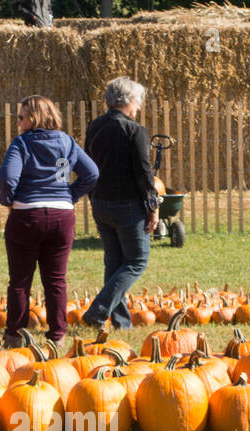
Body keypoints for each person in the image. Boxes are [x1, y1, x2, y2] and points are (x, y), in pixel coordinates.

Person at [0, 95, 98, 346]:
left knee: (20, 281)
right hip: (61, 216)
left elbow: (8, 177)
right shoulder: (67, 142)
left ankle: (15, 335)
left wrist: (9, 200)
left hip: (26, 215)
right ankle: (57, 336)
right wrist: (69, 194)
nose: (18, 123)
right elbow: (92, 173)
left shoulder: (21, 144)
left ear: (33, 118)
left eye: (20, 118)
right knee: (55, 279)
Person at [80, 77, 160, 331]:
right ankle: (98, 311)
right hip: (128, 206)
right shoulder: (135, 130)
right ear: (129, 101)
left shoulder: (95, 126)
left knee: (114, 263)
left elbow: (87, 165)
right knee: (137, 261)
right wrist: (154, 207)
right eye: (137, 101)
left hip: (101, 202)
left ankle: (122, 323)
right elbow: (144, 174)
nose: (138, 107)